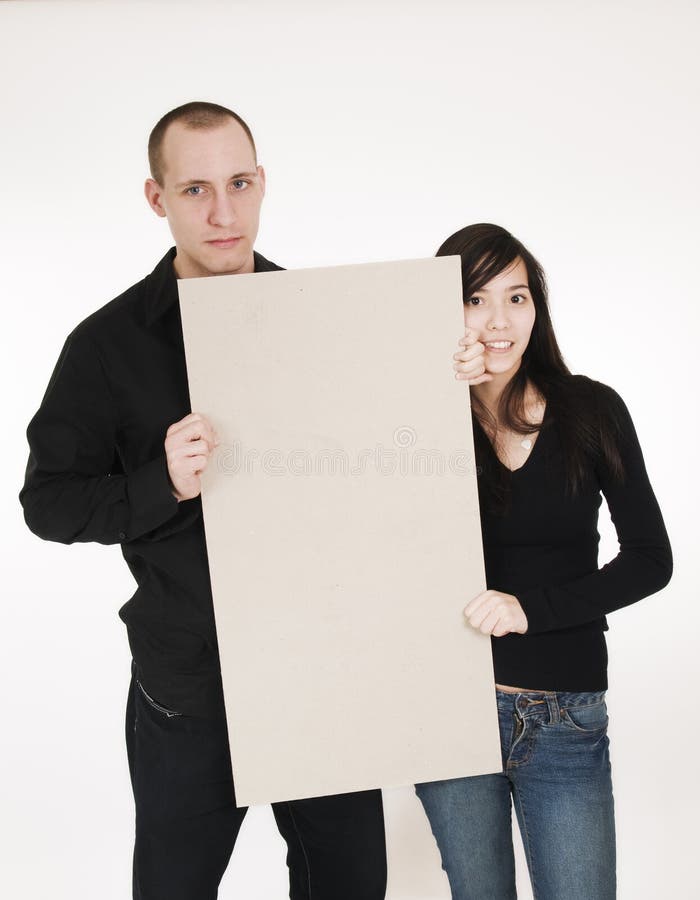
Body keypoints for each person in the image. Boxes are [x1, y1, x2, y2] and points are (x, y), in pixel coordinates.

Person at [20, 101, 386, 900]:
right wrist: (162, 483)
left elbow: (392, 468)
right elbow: (47, 504)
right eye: (194, 191)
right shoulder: (105, 346)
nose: (224, 213)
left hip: (321, 671)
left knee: (352, 884)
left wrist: (444, 371)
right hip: (189, 685)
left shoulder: (332, 322)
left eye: (240, 183)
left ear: (263, 184)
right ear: (157, 198)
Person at [415, 223, 672, 900]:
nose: (500, 321)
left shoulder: (591, 411)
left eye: (518, 297)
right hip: (449, 714)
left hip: (565, 715)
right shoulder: (419, 420)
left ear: (538, 308)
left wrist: (533, 610)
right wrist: (428, 387)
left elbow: (651, 558)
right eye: (476, 298)